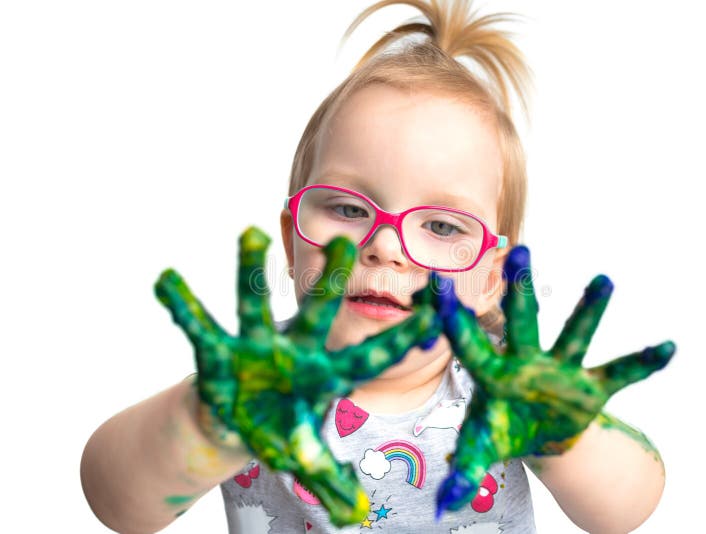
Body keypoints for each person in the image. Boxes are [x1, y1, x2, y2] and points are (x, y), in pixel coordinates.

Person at [81, 1, 673, 532]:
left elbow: (627, 508)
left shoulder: (502, 390)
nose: (384, 247)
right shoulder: (256, 383)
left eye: (441, 226)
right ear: (293, 243)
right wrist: (207, 423)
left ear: (491, 278)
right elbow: (115, 502)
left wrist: (562, 433)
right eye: (345, 207)